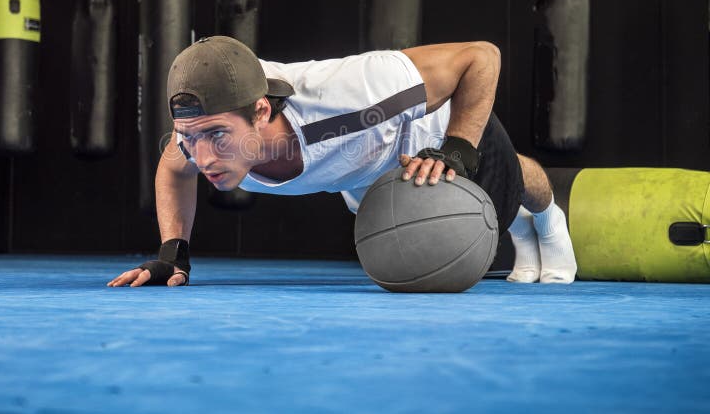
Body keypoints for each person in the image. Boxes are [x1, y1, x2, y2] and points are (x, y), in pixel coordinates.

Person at [107, 35, 577, 288]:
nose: (204, 158)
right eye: (191, 138)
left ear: (262, 111)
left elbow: (481, 57)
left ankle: (549, 219)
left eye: (217, 136)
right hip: (365, 175)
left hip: (431, 139)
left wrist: (457, 147)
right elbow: (173, 167)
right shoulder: (198, 132)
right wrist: (174, 253)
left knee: (513, 187)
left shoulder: (357, 90)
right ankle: (520, 224)